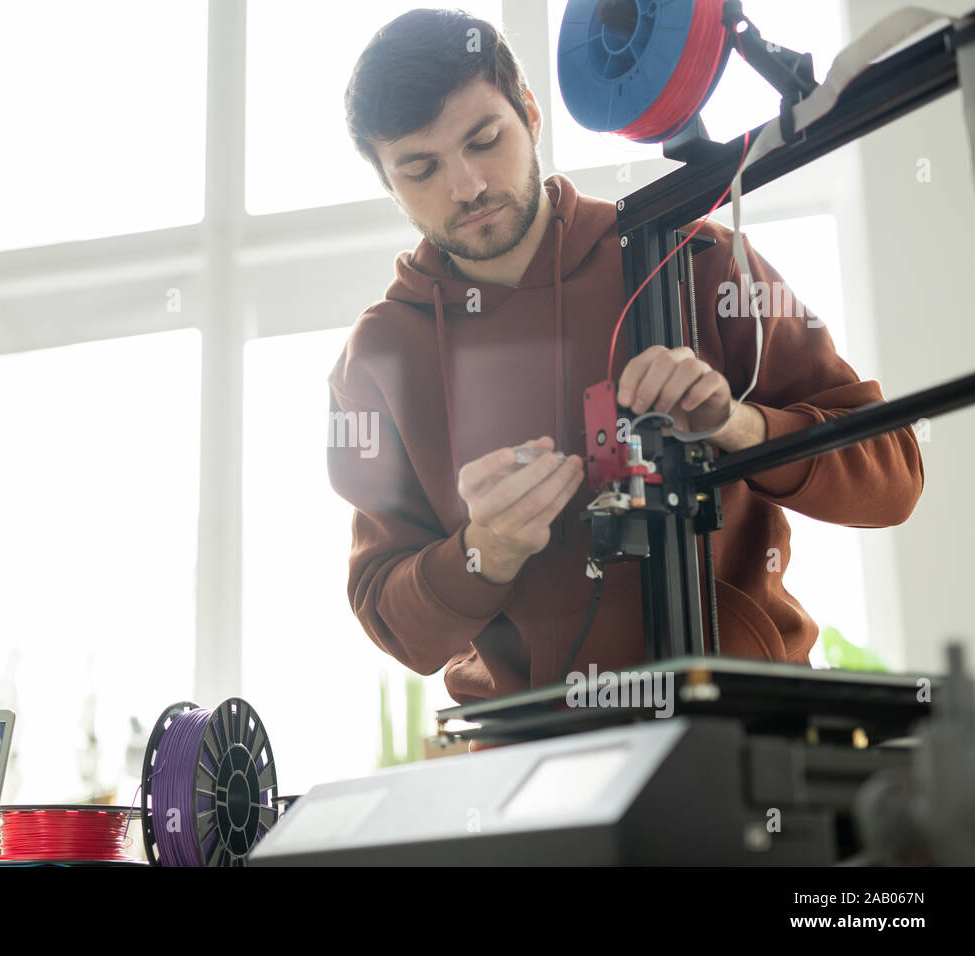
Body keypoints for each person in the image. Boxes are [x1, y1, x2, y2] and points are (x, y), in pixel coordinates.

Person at [325, 9, 924, 712]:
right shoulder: (378, 356)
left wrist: (738, 429)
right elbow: (393, 624)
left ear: (530, 114)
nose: (466, 187)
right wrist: (485, 551)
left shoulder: (692, 256)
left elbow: (895, 477)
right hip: (527, 760)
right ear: (388, 184)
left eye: (484, 140)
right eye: (420, 169)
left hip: (743, 721)